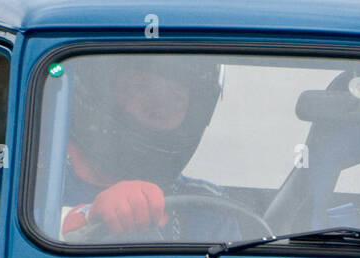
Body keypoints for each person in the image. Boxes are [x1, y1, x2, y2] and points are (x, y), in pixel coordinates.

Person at [58, 57, 238, 241]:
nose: (161, 105)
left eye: (176, 95)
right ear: (103, 92)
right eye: (141, 86)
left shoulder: (208, 208)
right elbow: (31, 247)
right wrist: (84, 217)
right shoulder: (42, 182)